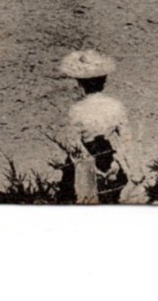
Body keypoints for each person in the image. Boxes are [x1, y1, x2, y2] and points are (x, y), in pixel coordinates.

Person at [55, 50, 137, 204]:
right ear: (104, 81)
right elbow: (127, 139)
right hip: (107, 156)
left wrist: (89, 166)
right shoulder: (116, 106)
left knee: (82, 199)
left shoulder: (76, 110)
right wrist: (117, 162)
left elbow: (73, 143)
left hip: (84, 159)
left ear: (80, 84)